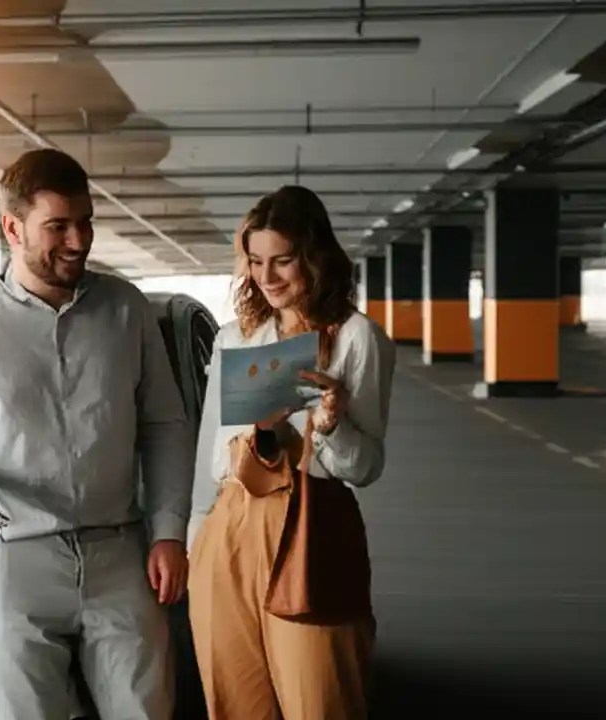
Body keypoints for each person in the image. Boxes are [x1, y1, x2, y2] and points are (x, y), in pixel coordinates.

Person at [0, 147, 194, 720]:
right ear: (12, 228)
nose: (78, 240)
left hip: (121, 553)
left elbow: (164, 426)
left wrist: (169, 530)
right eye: (58, 226)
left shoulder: (126, 310)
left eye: (85, 221)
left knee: (146, 712)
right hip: (14, 558)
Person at [186, 185, 396, 719]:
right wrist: (196, 541)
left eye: (283, 260)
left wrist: (328, 423)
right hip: (230, 527)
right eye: (256, 262)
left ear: (315, 257)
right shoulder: (238, 337)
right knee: (234, 704)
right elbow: (211, 459)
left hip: (309, 524)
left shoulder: (356, 339)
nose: (268, 277)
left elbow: (365, 467)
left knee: (320, 700)